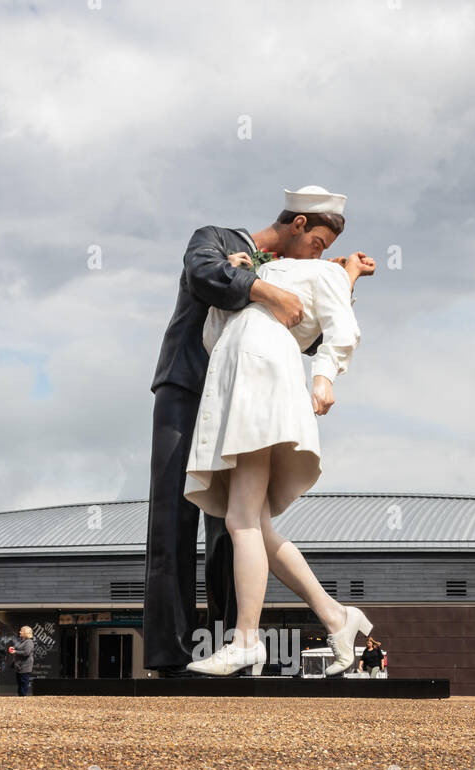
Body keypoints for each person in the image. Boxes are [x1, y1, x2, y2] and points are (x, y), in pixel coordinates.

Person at [145, 185, 351, 677]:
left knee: (235, 524)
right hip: (188, 387)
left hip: (246, 390)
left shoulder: (288, 272)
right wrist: (262, 286)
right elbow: (204, 276)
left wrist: (336, 280)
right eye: (318, 245)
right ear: (298, 225)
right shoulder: (216, 239)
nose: (319, 256)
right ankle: (170, 654)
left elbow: (311, 329)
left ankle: (232, 640)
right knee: (173, 517)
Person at [8, 626, 34, 696]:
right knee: (20, 683)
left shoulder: (29, 642)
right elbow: (17, 647)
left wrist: (15, 651)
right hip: (19, 666)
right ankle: (20, 698)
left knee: (23, 683)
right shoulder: (22, 641)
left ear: (26, 633)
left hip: (25, 666)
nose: (20, 632)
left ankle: (23, 698)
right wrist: (13, 648)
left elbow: (26, 653)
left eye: (21, 631)